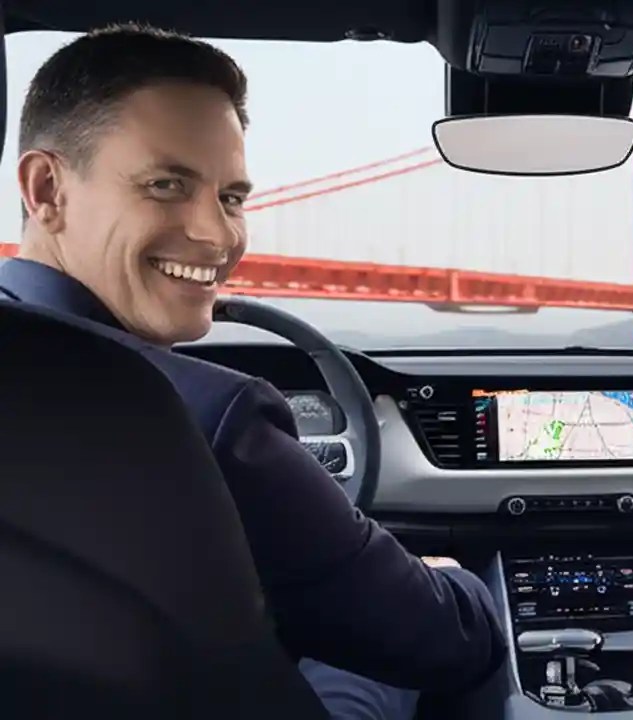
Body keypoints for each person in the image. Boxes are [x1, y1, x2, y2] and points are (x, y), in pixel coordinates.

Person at [0, 24, 507, 720]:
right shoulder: (210, 419)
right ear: (45, 187)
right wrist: (457, 585)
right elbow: (447, 641)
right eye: (166, 184)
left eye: (231, 197)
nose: (218, 235)